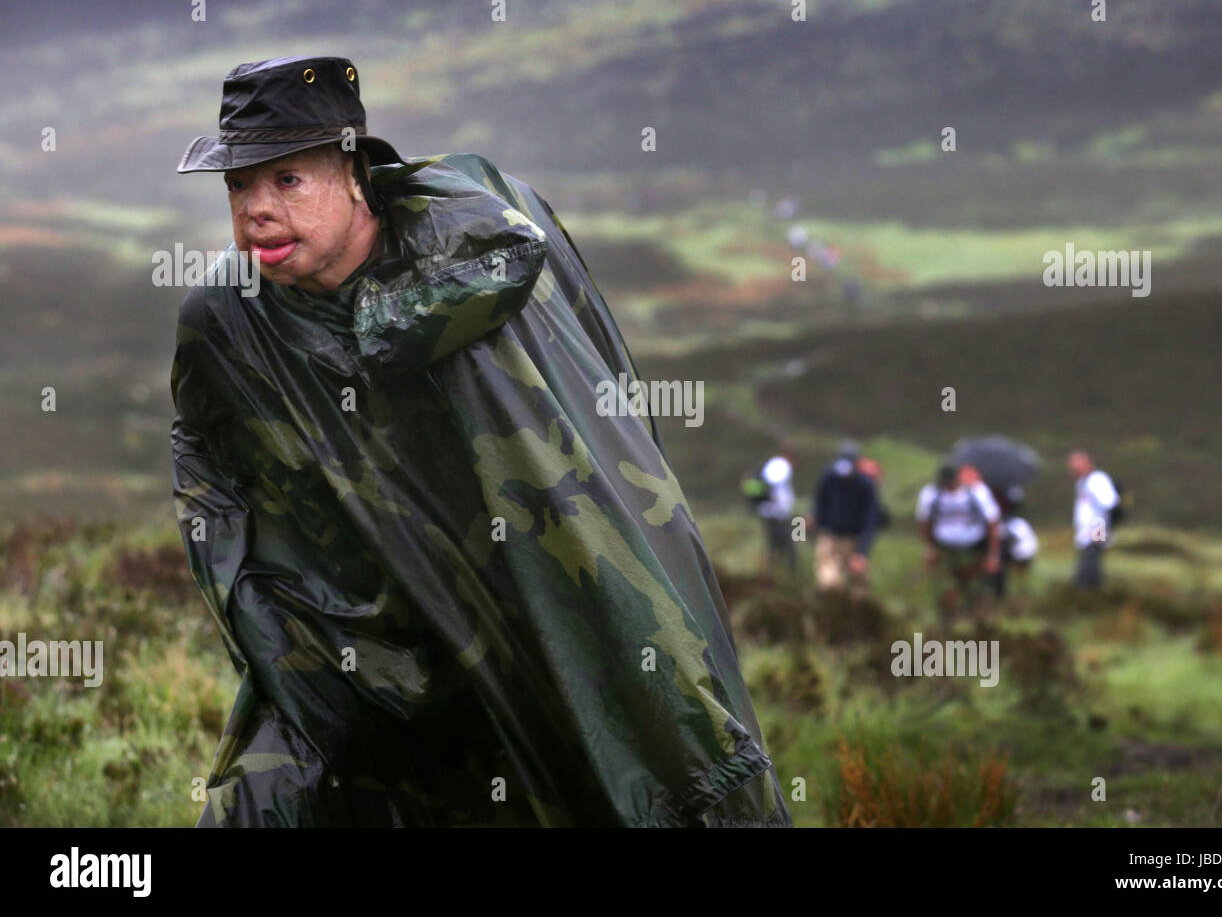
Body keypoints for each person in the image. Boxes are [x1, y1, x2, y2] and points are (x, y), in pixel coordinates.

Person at [170, 56, 791, 828]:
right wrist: (291, 628)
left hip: (536, 606)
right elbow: (210, 472)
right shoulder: (229, 321)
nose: (256, 211)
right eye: (238, 186)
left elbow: (588, 430)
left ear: (352, 170)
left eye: (286, 181)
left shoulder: (472, 272)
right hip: (357, 647)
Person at [916, 463, 1001, 630]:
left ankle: (977, 628)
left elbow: (993, 523)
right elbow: (924, 522)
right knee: (945, 590)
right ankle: (948, 628)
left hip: (973, 548)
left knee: (976, 589)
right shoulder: (931, 494)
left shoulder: (977, 492)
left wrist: (992, 554)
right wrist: (929, 549)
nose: (949, 486)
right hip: (945, 549)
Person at [811, 441, 879, 594]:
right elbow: (818, 503)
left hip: (852, 541)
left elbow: (870, 521)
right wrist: (810, 522)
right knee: (829, 584)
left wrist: (862, 553)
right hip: (829, 538)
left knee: (858, 589)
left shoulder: (866, 486)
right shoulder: (828, 477)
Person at [1068, 449, 1119, 590]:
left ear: (1087, 464)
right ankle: (1092, 598)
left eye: (1075, 466)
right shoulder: (1081, 482)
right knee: (1089, 567)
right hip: (1085, 533)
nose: (1072, 470)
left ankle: (1090, 598)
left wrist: (1099, 533)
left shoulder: (1098, 479)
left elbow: (1109, 503)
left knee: (1088, 570)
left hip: (1096, 531)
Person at [754, 441, 797, 575]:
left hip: (768, 512)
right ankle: (788, 575)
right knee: (789, 549)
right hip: (776, 514)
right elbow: (773, 483)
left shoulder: (773, 463)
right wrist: (777, 502)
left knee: (774, 545)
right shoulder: (783, 466)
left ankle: (771, 574)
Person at [989, 485, 1038, 597]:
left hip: (1018, 555)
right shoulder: (1018, 523)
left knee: (997, 562)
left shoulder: (1015, 524)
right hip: (1019, 554)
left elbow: (1020, 546)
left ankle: (1000, 594)